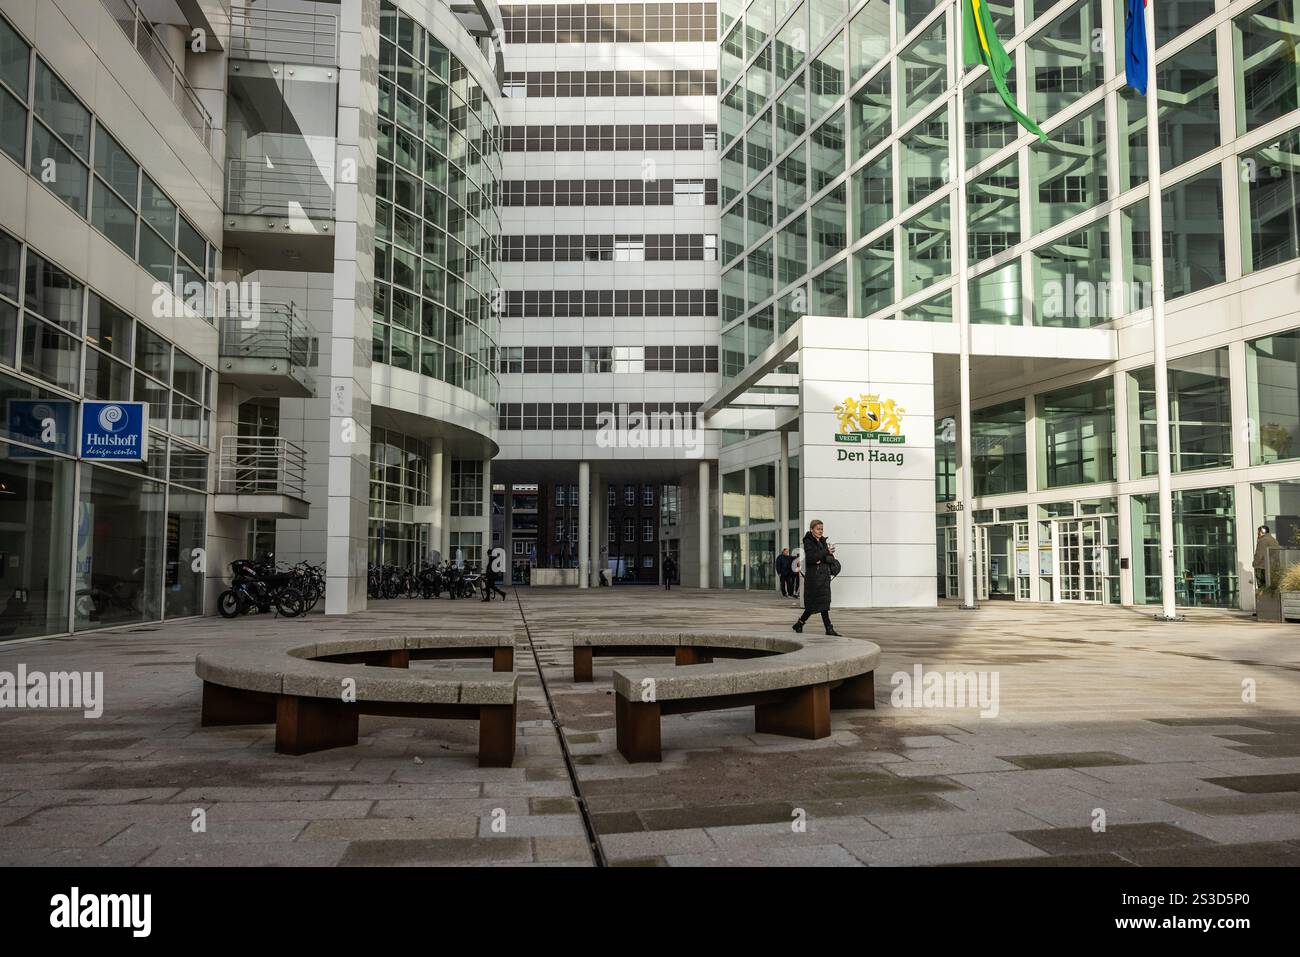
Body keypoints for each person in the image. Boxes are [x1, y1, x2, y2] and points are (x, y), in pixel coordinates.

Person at [793, 519, 841, 636]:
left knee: (823, 603)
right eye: (818, 529)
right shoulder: (808, 541)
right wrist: (824, 553)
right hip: (814, 578)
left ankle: (802, 624)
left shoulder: (823, 541)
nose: (820, 531)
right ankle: (826, 628)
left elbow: (825, 558)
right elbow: (810, 558)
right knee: (813, 604)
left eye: (822, 529)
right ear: (812, 529)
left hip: (824, 576)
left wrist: (825, 555)